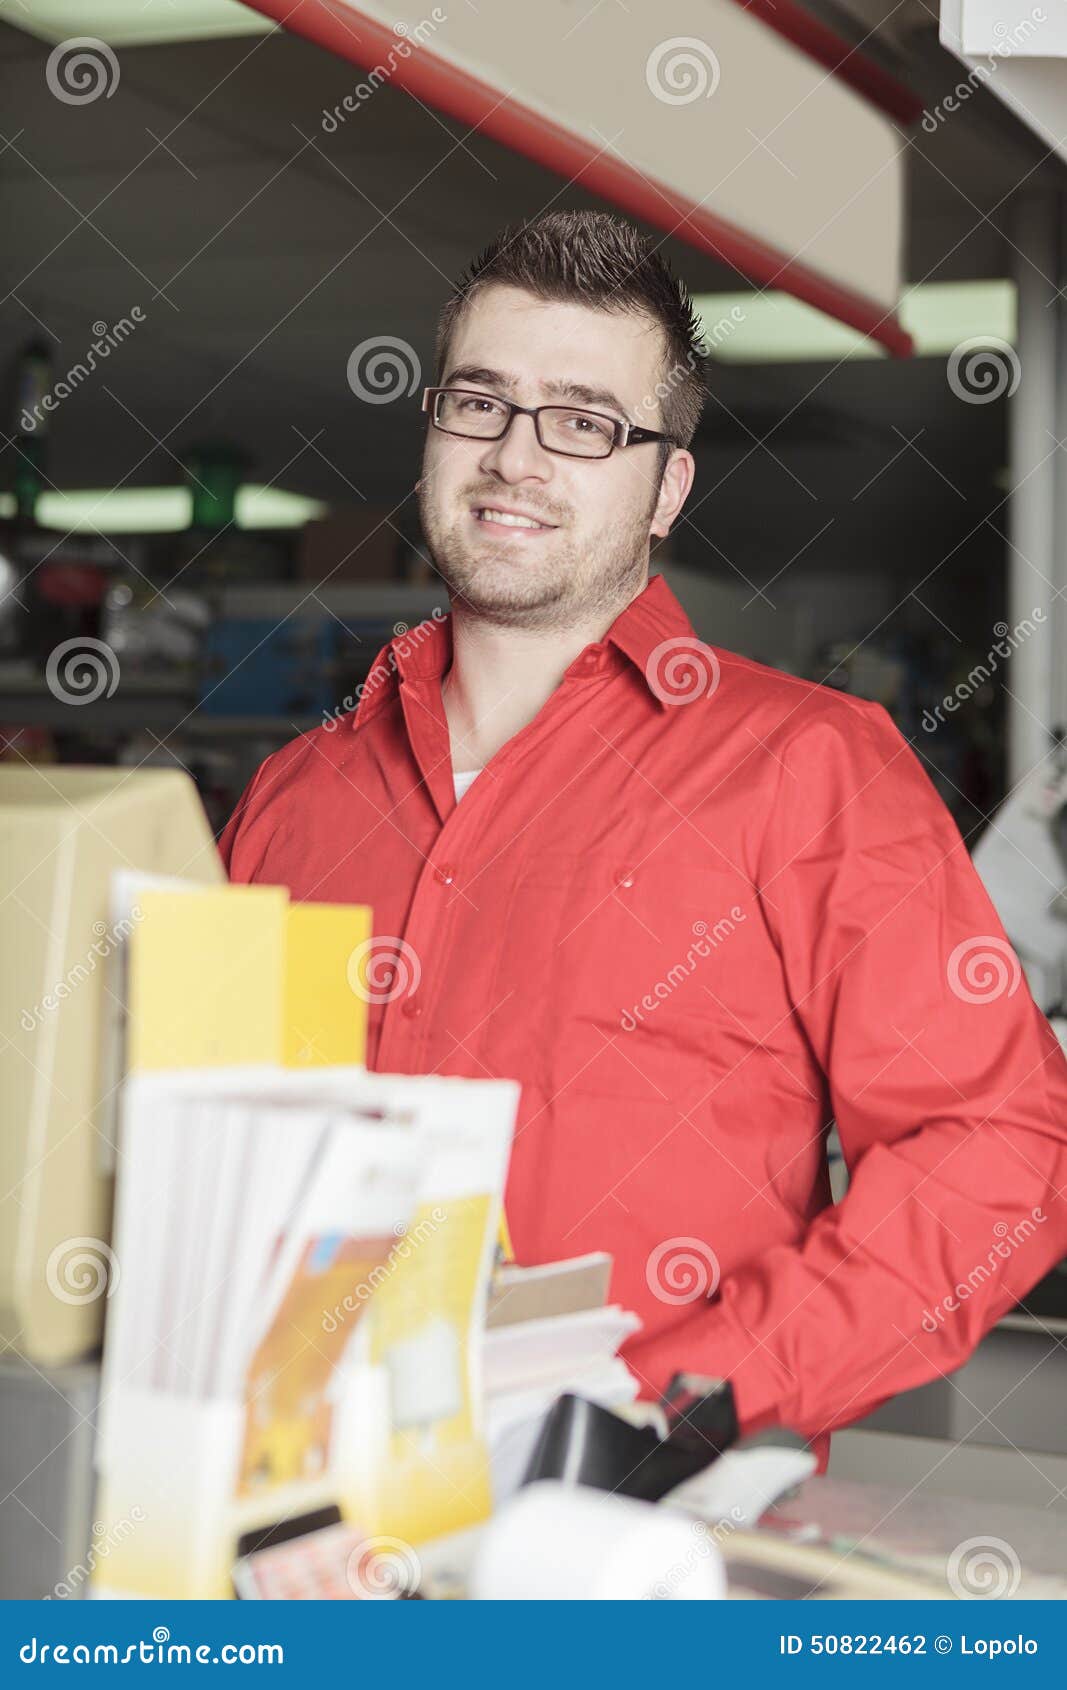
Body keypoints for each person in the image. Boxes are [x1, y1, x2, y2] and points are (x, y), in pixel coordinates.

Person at [220, 210, 1067, 1457]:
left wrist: (673, 1399)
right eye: (479, 402)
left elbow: (998, 1151)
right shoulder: (293, 798)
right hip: (293, 1530)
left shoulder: (808, 770)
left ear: (665, 483)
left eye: (581, 421)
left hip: (636, 1563)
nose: (516, 456)